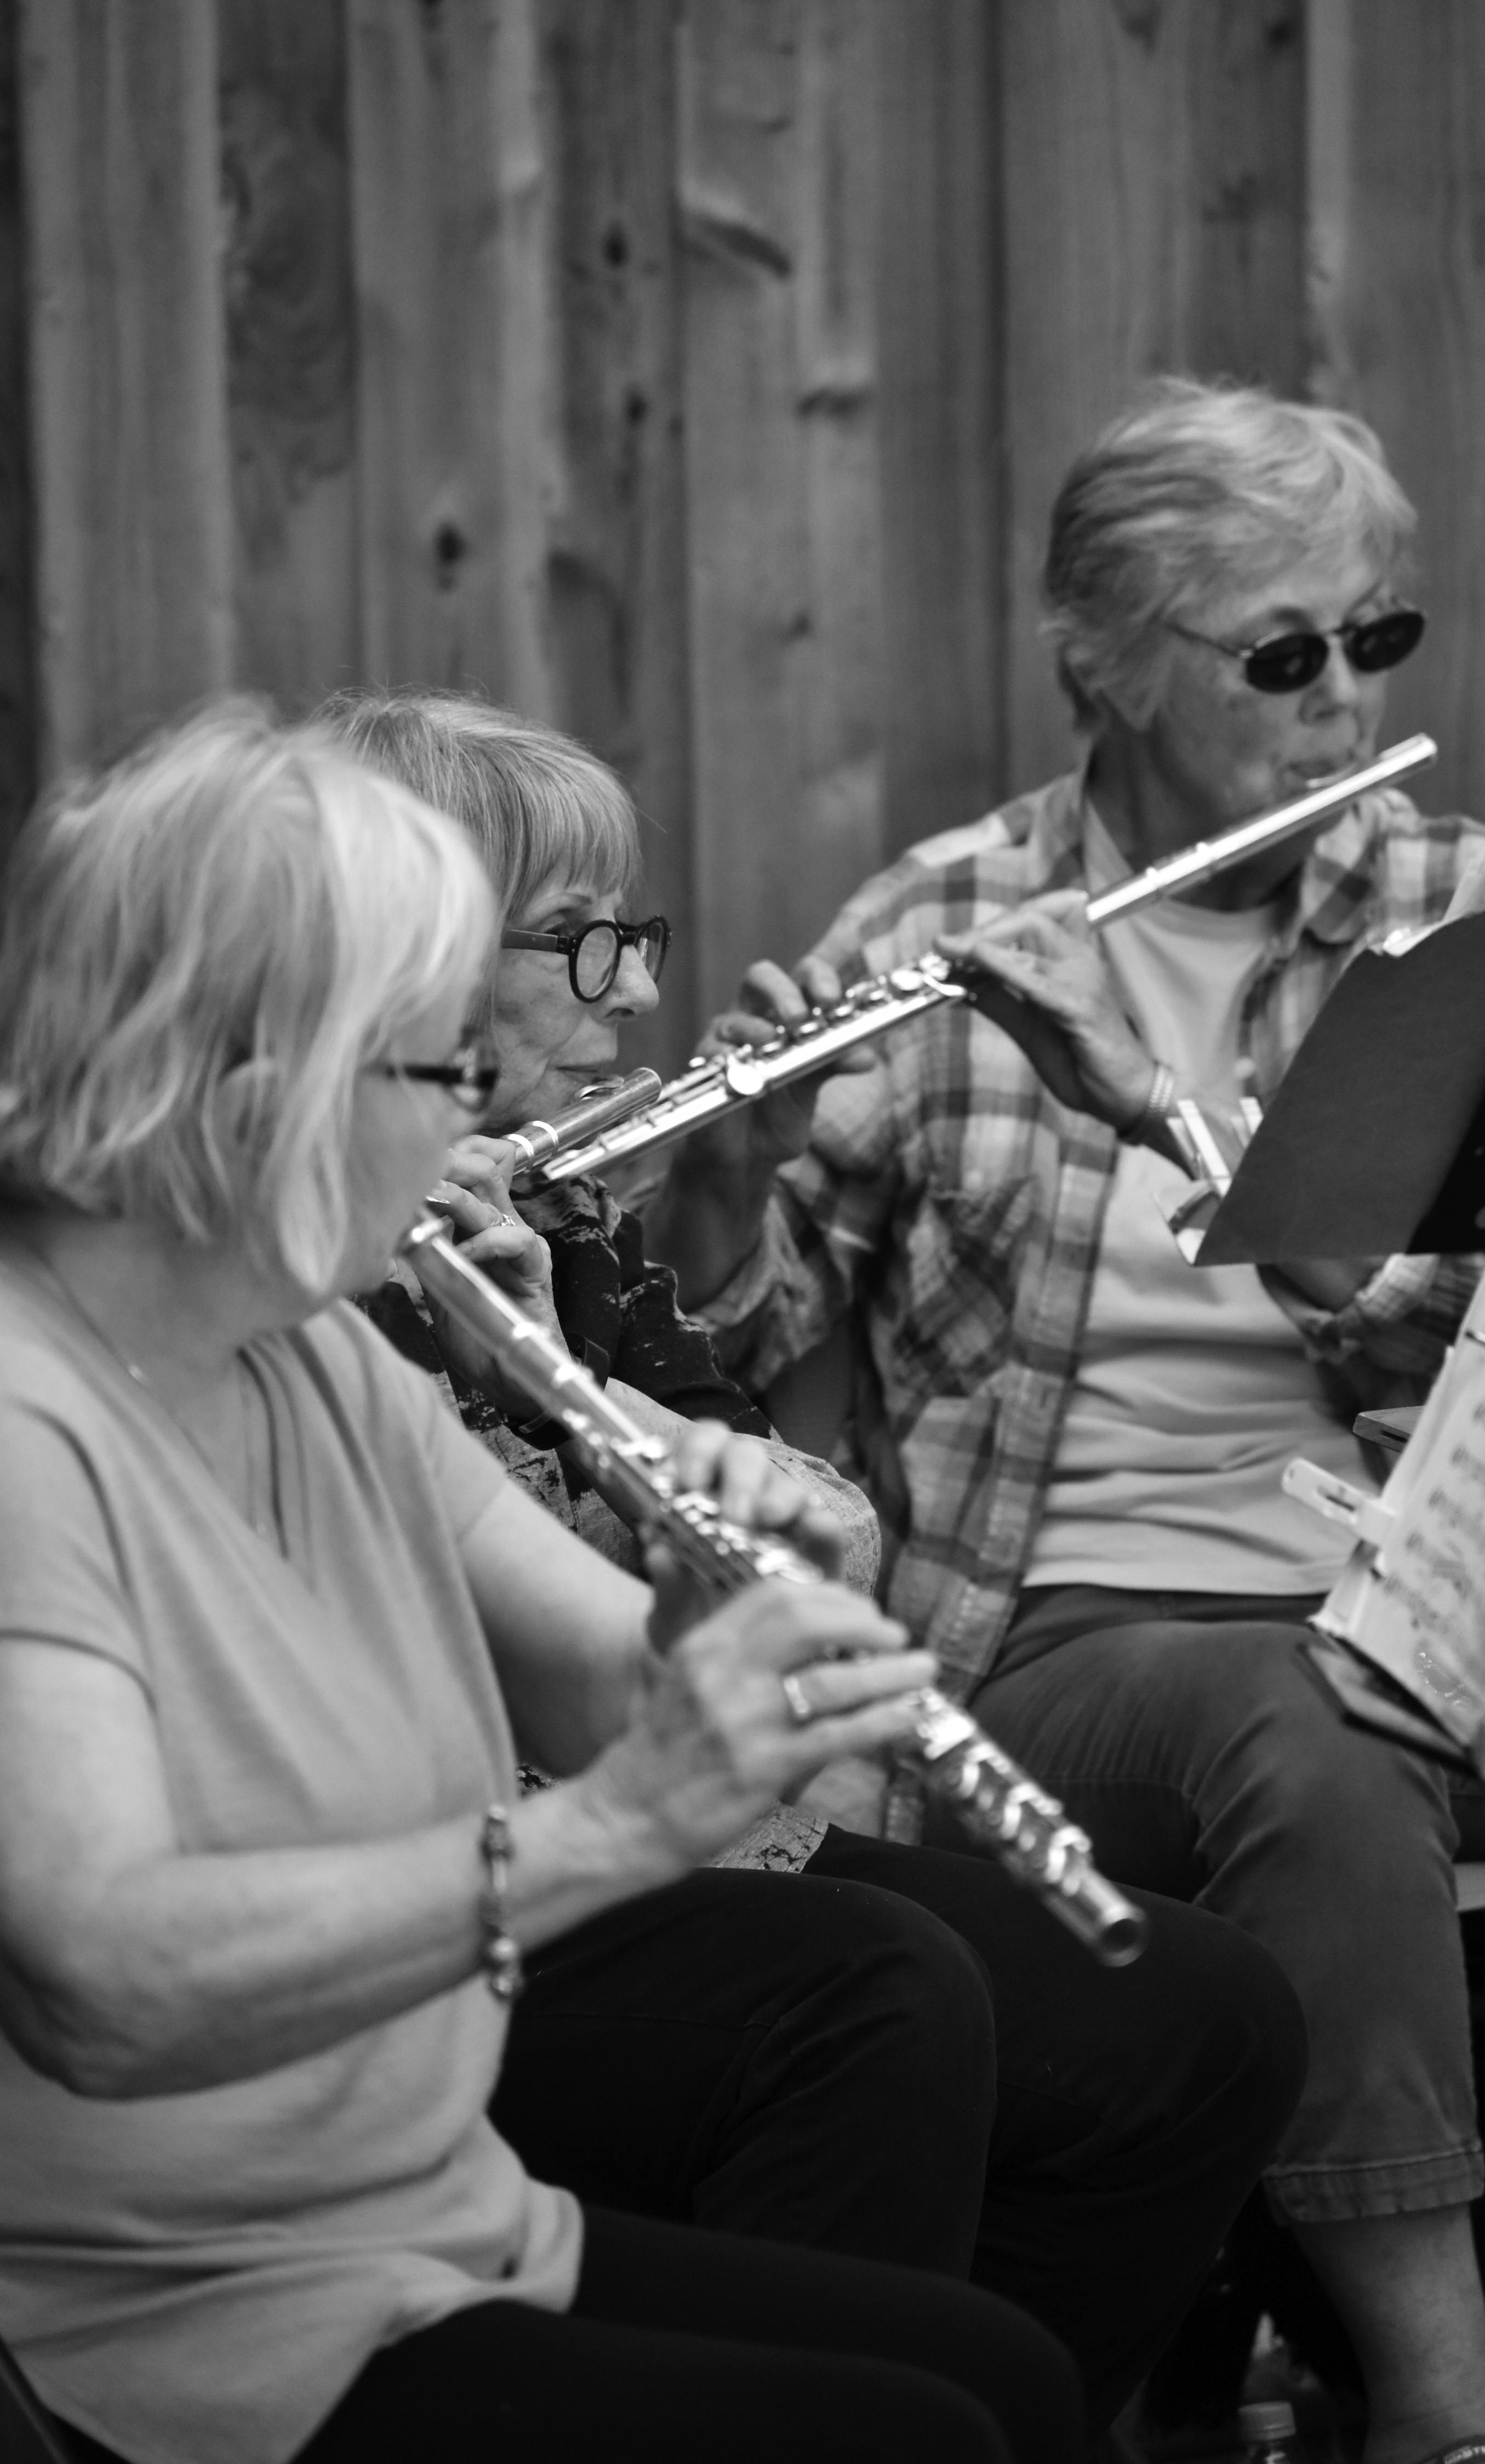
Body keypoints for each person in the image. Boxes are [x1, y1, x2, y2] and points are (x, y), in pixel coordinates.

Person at [0, 702, 1098, 2464]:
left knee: (1009, 2383)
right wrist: (609, 1831)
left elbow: (601, 1690)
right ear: (247, 1079)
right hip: (181, 2318)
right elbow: (107, 1984)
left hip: (434, 2219)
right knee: (917, 2427)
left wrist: (707, 1594)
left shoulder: (305, 1348)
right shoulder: (30, 1417)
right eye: (437, 1074)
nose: (475, 1128)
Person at [644, 380, 1485, 2464]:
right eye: (1282, 654)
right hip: (1081, 1642)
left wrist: (1182, 1126)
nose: (1342, 703)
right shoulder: (944, 929)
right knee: (1302, 1728)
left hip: (1455, 1595)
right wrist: (730, 1166)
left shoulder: (1477, 920)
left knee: (1354, 1713)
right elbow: (731, 1341)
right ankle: (1448, 2417)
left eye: (1378, 642)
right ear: (1106, 660)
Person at [313, 684, 1309, 2438]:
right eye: (579, 947)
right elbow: (478, 1676)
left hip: (668, 1820)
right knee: (879, 1999)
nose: (636, 993)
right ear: (412, 969)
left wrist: (588, 1377)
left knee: (1207, 2014)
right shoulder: (318, 1271)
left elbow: (810, 1535)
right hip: (446, 1879)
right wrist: (566, 1423)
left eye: (636, 939)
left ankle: (973, 2417)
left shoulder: (547, 1226)